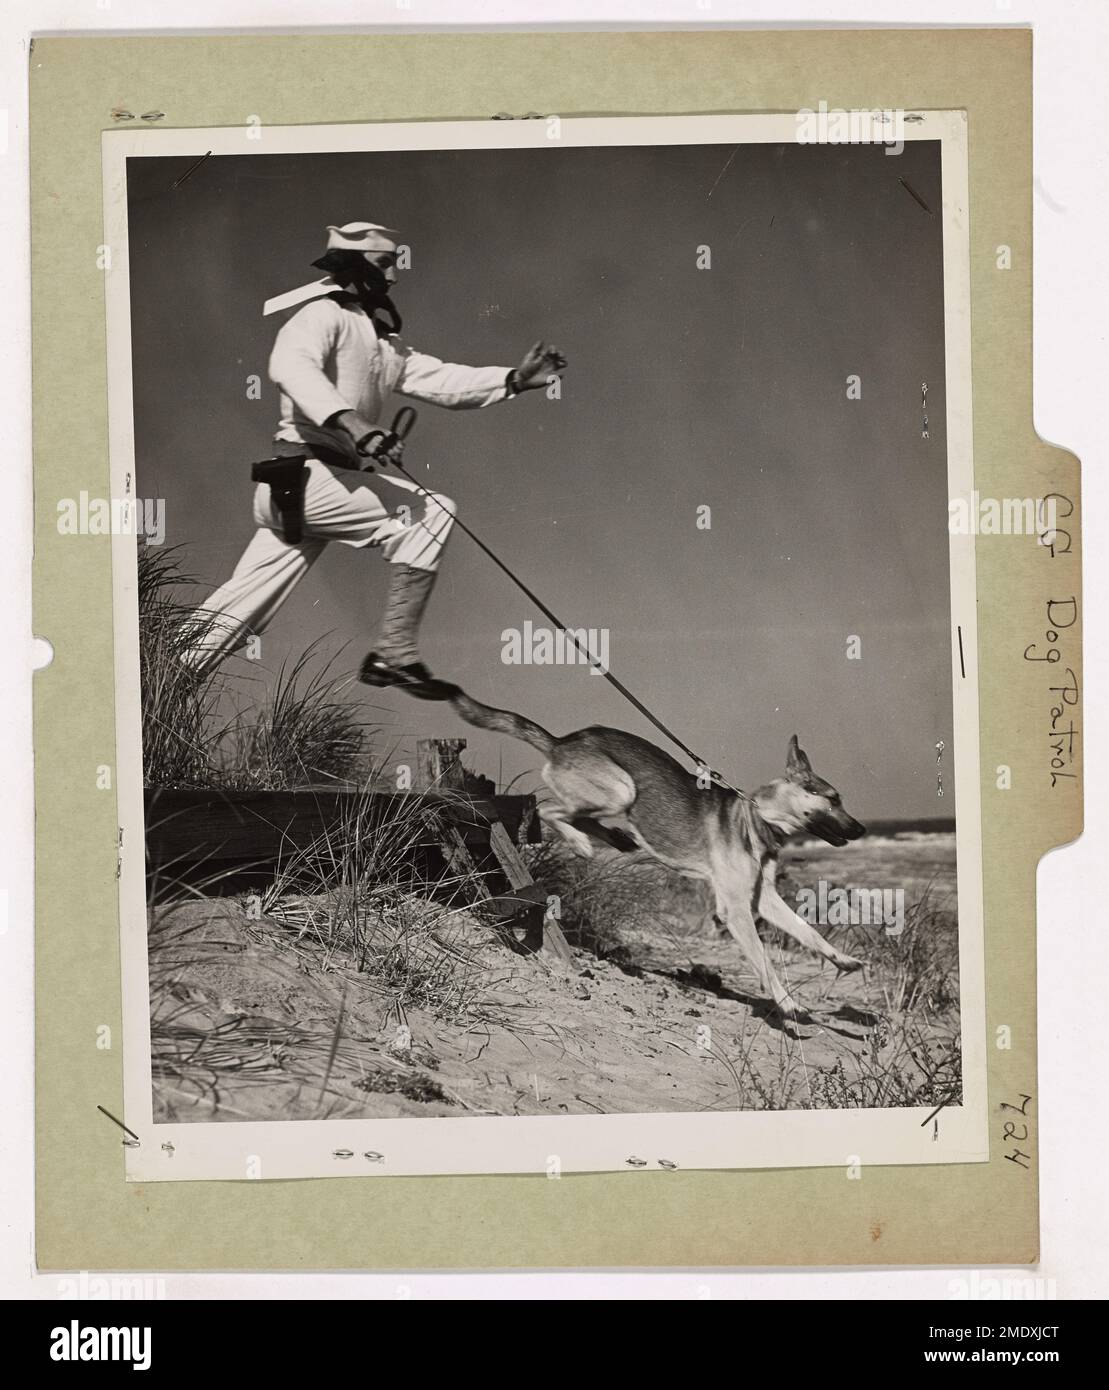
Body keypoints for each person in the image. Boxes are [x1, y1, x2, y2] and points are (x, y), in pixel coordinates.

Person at [181, 219, 566, 699]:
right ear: (357, 266)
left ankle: (165, 679)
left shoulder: (382, 342)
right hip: (304, 475)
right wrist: (355, 425)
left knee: (244, 603)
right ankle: (395, 653)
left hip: (302, 490)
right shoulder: (321, 315)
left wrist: (512, 380)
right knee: (432, 512)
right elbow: (289, 367)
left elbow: (441, 380)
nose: (395, 277)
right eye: (385, 264)